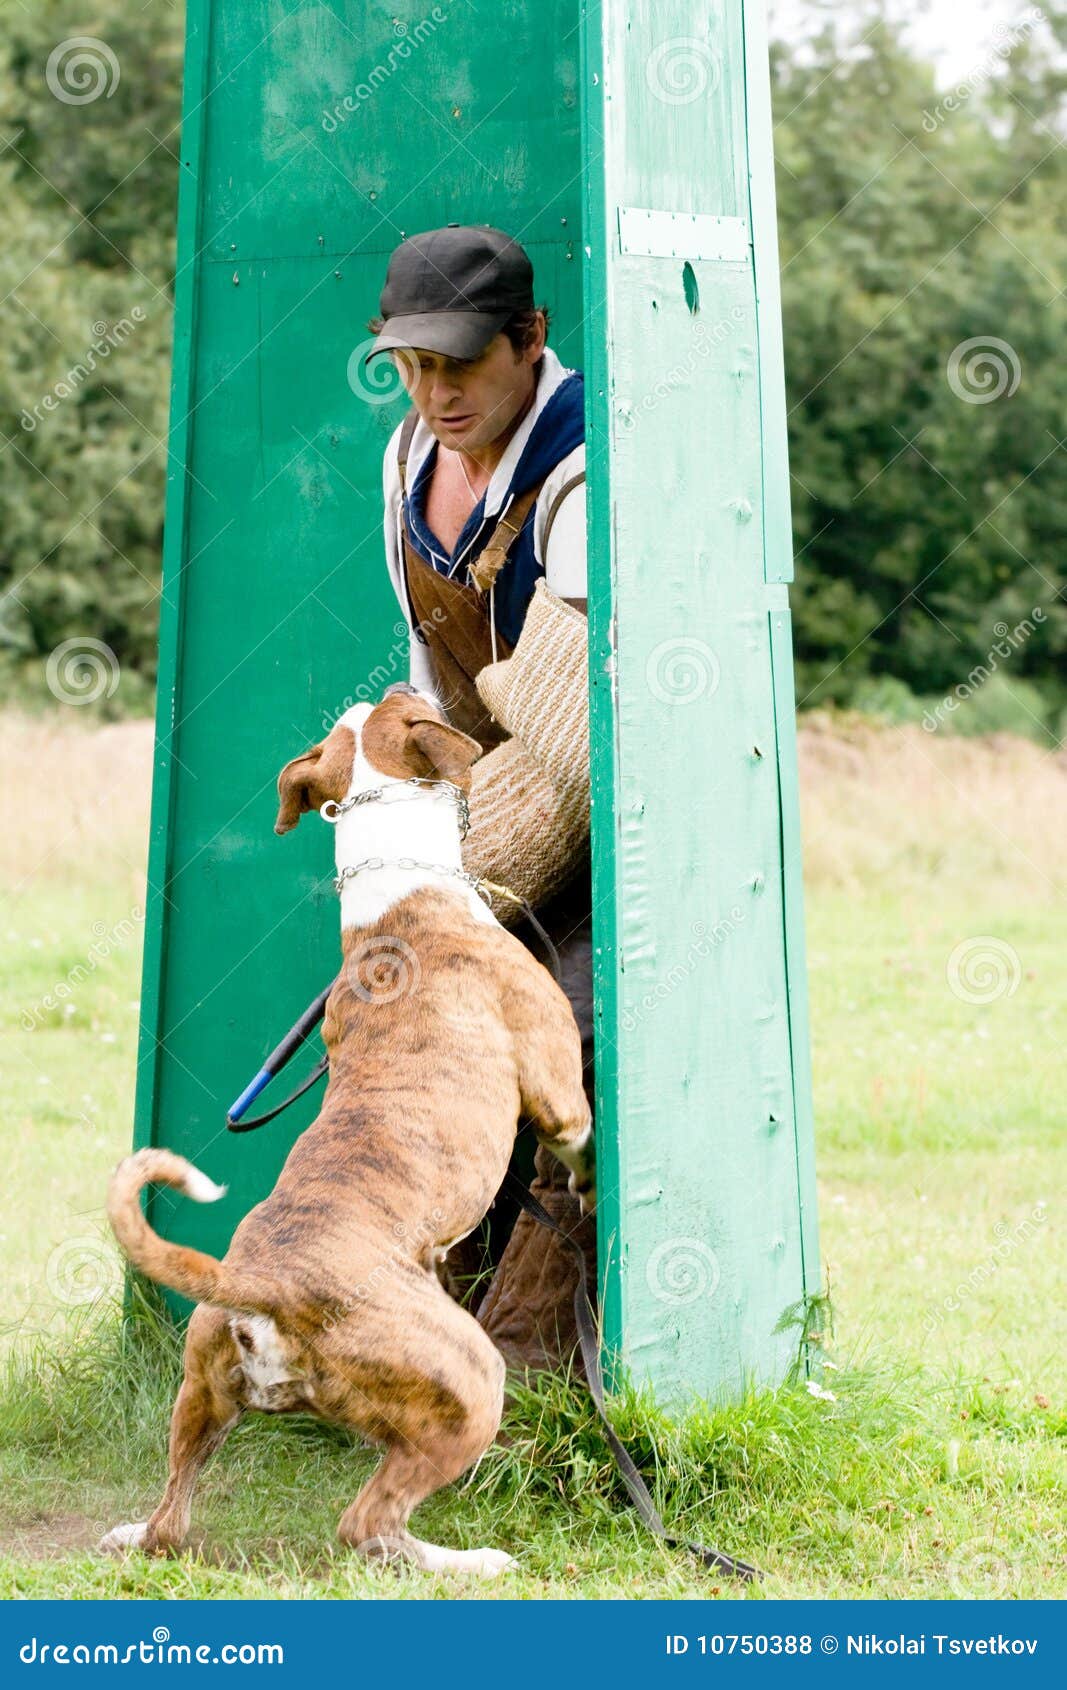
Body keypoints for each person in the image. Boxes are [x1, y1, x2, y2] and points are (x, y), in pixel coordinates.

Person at [365, 223, 596, 1376]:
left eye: (460, 363)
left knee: (576, 1037)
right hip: (483, 811)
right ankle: (411, 1344)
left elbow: (575, 734)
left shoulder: (582, 464)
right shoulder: (409, 458)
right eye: (412, 366)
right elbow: (426, 672)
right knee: (419, 1031)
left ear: (530, 337)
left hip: (599, 820)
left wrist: (473, 873)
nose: (435, 393)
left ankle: (535, 1370)